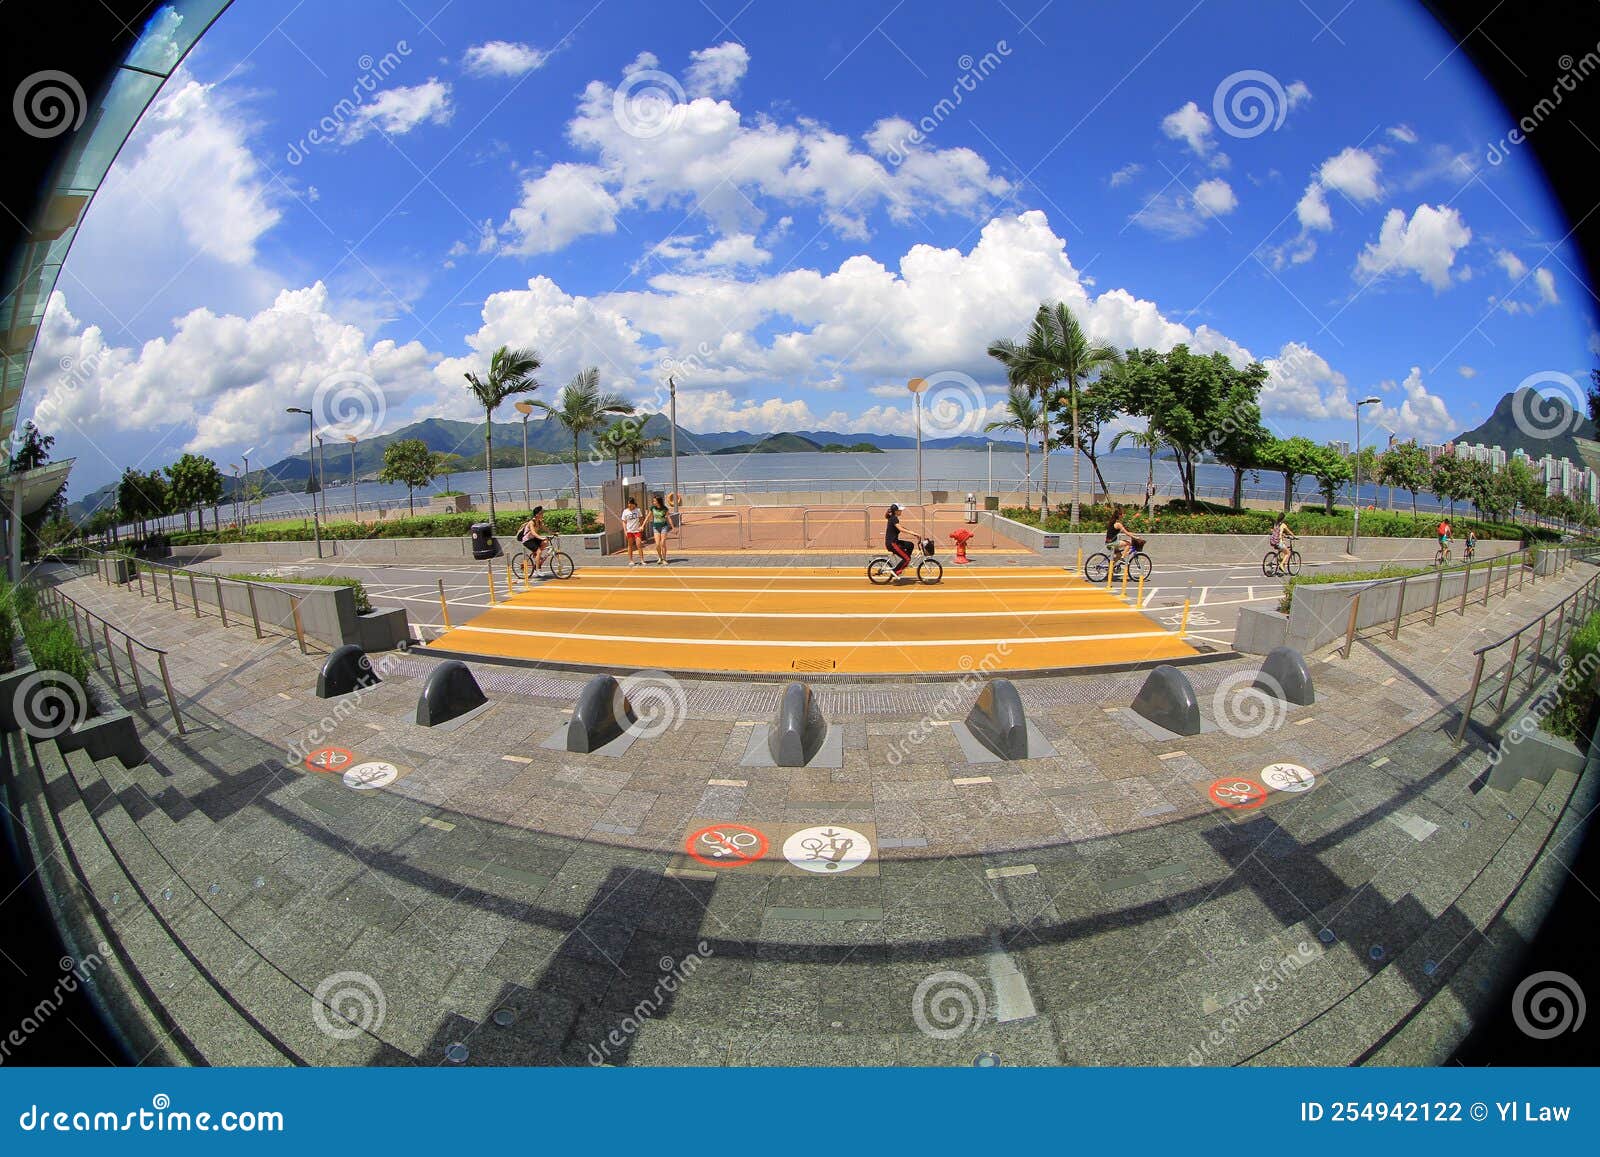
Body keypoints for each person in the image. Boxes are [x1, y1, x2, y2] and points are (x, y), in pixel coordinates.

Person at [884, 502, 915, 579]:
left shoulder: (893, 517)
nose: (901, 511)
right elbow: (900, 529)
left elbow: (900, 527)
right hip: (892, 544)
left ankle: (904, 562)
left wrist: (912, 532)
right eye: (900, 510)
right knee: (907, 558)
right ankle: (896, 571)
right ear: (896, 511)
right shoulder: (894, 518)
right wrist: (913, 533)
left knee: (910, 545)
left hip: (894, 542)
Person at [516, 506, 549, 573]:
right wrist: (541, 537)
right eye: (541, 513)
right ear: (537, 514)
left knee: (545, 542)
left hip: (533, 539)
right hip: (527, 540)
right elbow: (533, 532)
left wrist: (553, 533)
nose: (542, 514)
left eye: (542, 512)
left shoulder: (539, 522)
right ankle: (537, 569)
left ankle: (536, 555)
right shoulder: (531, 522)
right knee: (539, 551)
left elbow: (545, 529)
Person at [1106, 504, 1133, 572]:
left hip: (1108, 543)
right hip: (1113, 543)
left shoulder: (1112, 522)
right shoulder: (1118, 524)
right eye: (1122, 514)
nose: (1123, 515)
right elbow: (1126, 533)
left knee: (1118, 555)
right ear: (1119, 515)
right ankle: (1123, 558)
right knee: (1129, 543)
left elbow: (1124, 530)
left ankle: (1110, 568)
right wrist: (1135, 537)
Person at [622, 497, 646, 565]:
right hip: (629, 531)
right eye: (628, 503)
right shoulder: (625, 511)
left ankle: (642, 560)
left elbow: (641, 519)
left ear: (633, 504)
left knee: (639, 544)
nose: (629, 505)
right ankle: (631, 560)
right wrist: (625, 530)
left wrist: (641, 526)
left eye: (630, 504)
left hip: (637, 531)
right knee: (630, 545)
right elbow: (624, 522)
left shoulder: (638, 510)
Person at [649, 494, 671, 565]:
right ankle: (660, 557)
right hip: (656, 527)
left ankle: (664, 559)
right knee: (657, 544)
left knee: (663, 543)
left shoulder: (665, 509)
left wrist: (673, 527)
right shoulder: (652, 508)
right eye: (653, 501)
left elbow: (669, 518)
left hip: (664, 526)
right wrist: (642, 525)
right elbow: (648, 516)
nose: (653, 502)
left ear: (658, 501)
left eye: (654, 501)